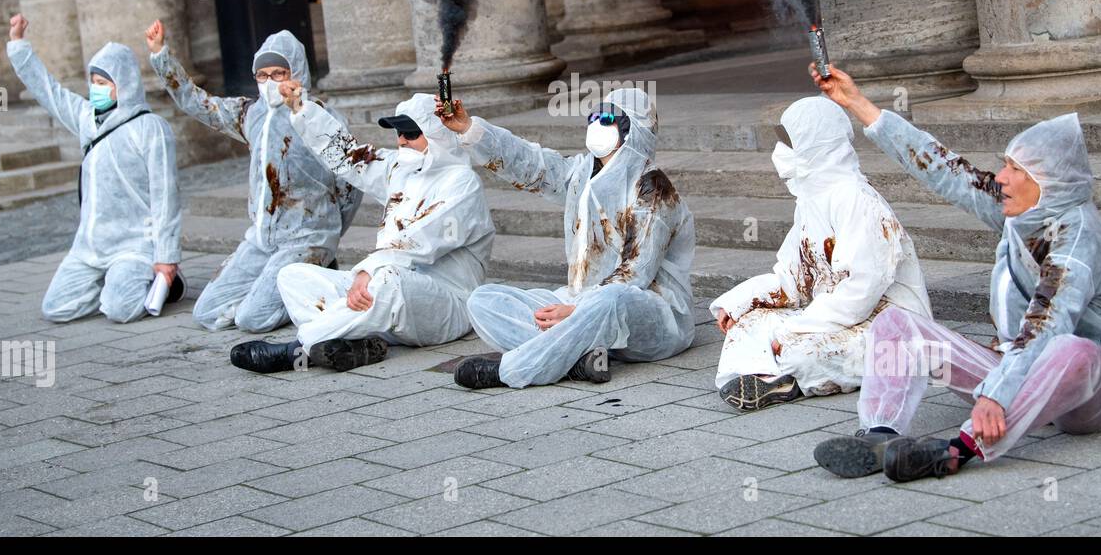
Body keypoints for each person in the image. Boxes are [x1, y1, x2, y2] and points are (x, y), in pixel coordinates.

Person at [810, 64, 1101, 482]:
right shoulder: (1022, 210)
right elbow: (943, 169)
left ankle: (958, 451)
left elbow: (1047, 326)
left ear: (1051, 183)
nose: (1002, 178)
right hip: (1013, 368)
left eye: (1017, 170)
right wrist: (857, 103)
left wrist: (995, 395)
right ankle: (880, 435)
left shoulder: (1077, 239)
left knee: (1076, 351)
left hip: (1082, 395)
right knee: (896, 325)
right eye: (1006, 165)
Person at [440, 87, 696, 389]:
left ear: (632, 129)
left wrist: (579, 313)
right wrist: (470, 130)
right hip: (579, 303)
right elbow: (530, 163)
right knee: (483, 300)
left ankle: (512, 370)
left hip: (648, 313)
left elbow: (636, 273)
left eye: (607, 117)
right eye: (594, 115)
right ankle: (579, 360)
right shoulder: (581, 173)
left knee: (610, 299)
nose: (596, 123)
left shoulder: (653, 188)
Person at [229, 90, 495, 374]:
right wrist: (302, 109)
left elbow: (420, 240)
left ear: (438, 134)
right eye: (398, 132)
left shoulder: (463, 184)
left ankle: (301, 347)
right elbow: (347, 157)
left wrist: (369, 271)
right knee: (292, 275)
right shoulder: (400, 169)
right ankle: (357, 344)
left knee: (388, 279)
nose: (401, 139)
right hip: (386, 299)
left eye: (411, 132)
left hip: (444, 306)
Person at [712, 96, 931, 411]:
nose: (782, 151)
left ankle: (786, 376)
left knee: (804, 348)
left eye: (791, 141)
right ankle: (773, 374)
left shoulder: (858, 200)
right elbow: (791, 276)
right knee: (749, 324)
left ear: (815, 143)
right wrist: (741, 303)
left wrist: (796, 328)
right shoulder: (810, 199)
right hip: (831, 315)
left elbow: (861, 291)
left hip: (887, 322)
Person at [145, 20, 360, 333]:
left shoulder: (320, 116)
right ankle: (281, 287)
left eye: (278, 74)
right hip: (262, 239)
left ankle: (317, 275)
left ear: (296, 73)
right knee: (207, 312)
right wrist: (162, 56)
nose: (269, 81)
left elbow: (351, 181)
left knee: (252, 319)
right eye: (262, 75)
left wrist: (330, 231)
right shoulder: (250, 113)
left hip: (306, 237)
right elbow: (198, 102)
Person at [6, 14, 182, 323]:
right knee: (56, 307)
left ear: (123, 84)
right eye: (93, 82)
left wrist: (167, 258)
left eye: (103, 83)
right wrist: (19, 46)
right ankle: (114, 281)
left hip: (134, 244)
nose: (95, 89)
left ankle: (160, 285)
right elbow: (50, 91)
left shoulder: (150, 128)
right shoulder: (86, 119)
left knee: (120, 310)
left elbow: (166, 195)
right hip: (91, 244)